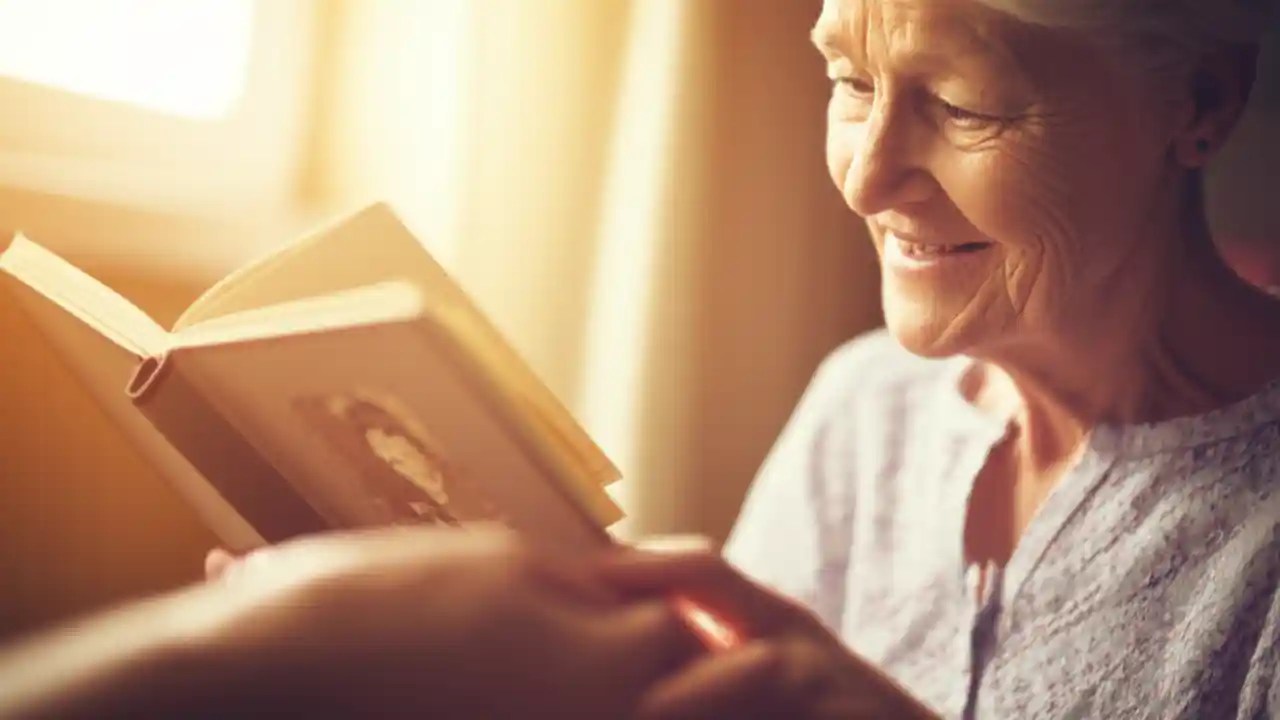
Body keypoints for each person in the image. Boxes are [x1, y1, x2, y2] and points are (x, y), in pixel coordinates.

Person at [598, 0, 1280, 718]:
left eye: (964, 107)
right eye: (855, 84)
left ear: (1201, 102)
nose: (865, 182)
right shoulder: (865, 406)